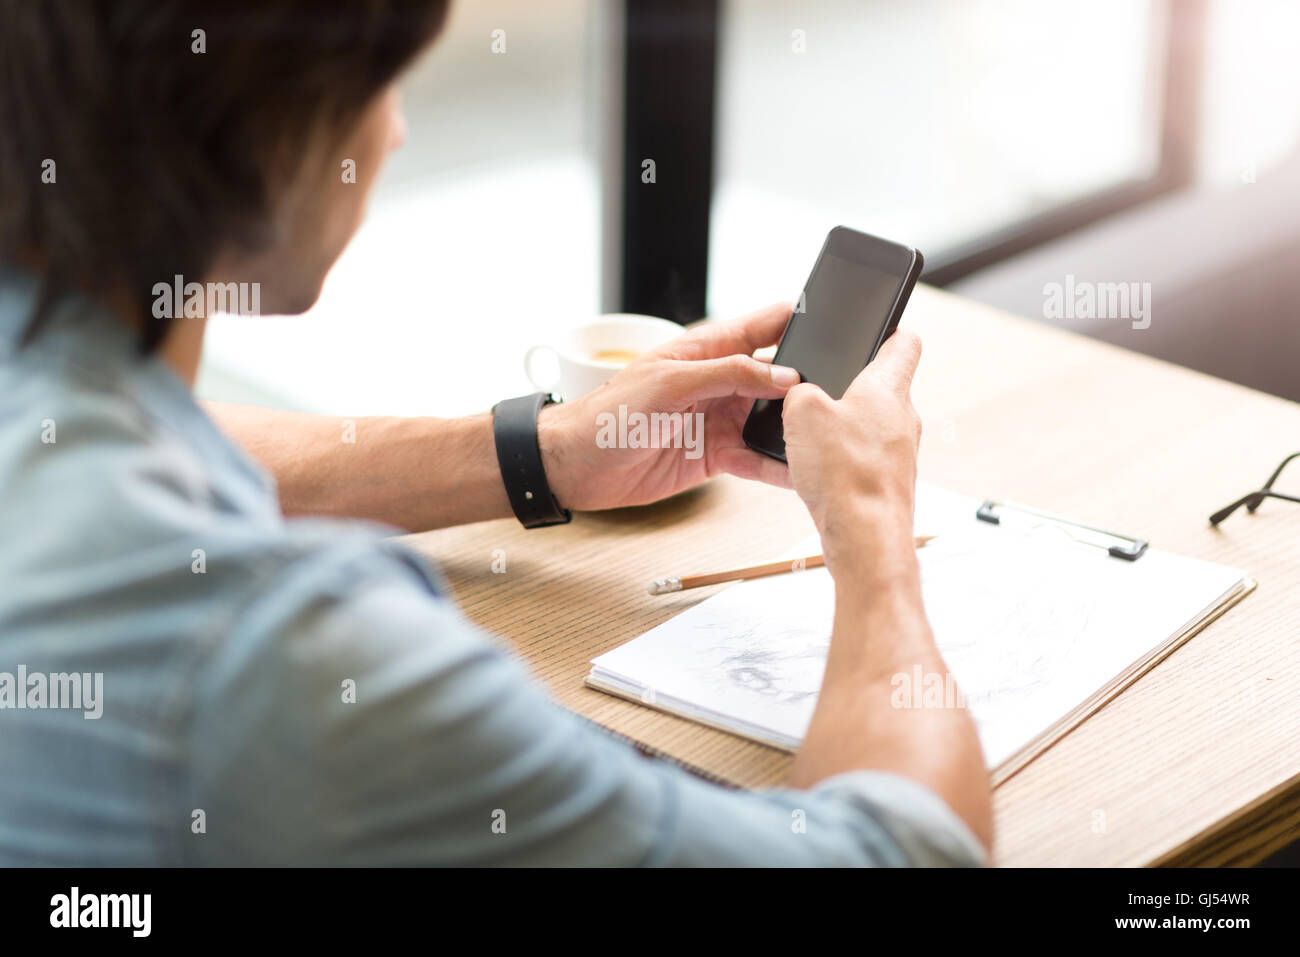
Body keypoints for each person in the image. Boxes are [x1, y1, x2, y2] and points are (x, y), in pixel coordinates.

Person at [0, 0, 991, 865]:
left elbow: (139, 446)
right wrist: (868, 528)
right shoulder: (292, 663)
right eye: (383, 87)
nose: (391, 135)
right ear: (264, 133)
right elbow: (904, 855)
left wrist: (543, 454)